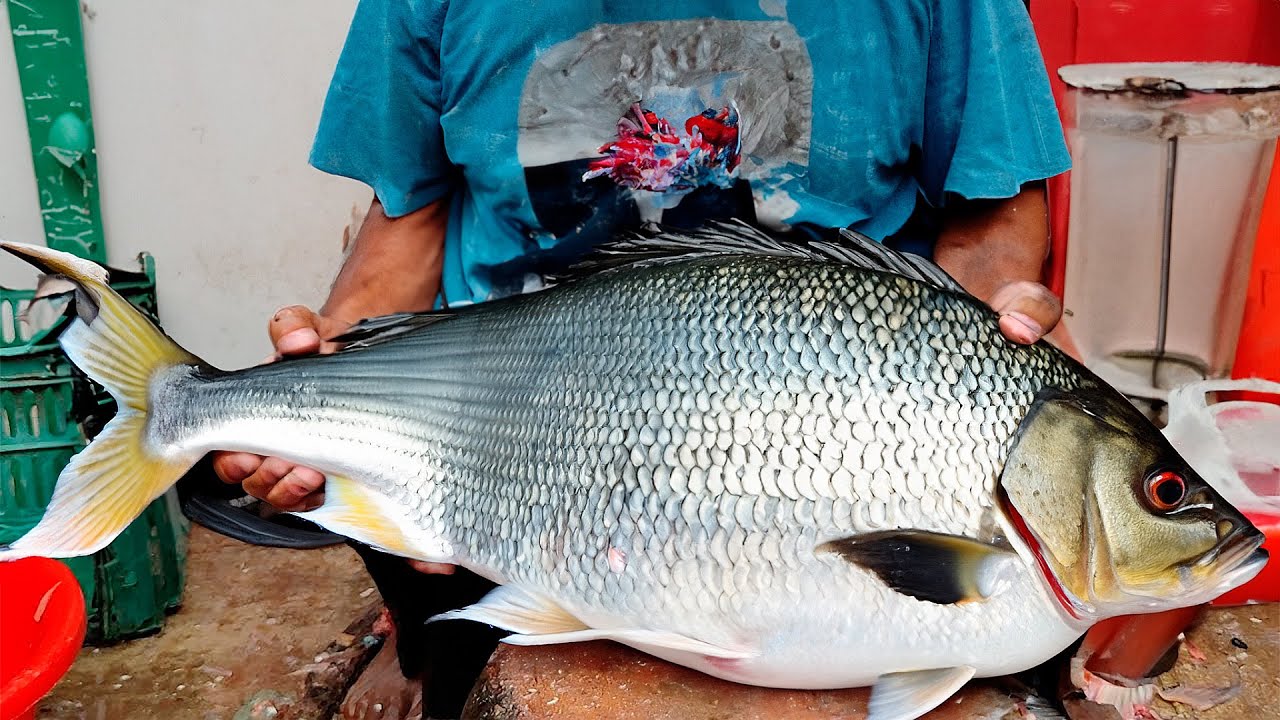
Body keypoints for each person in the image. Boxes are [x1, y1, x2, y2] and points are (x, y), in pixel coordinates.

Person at [214, 1, 1072, 717]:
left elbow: (992, 209)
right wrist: (324, 391)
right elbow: (411, 214)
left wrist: (990, 344)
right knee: (459, 671)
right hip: (497, 443)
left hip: (837, 449)